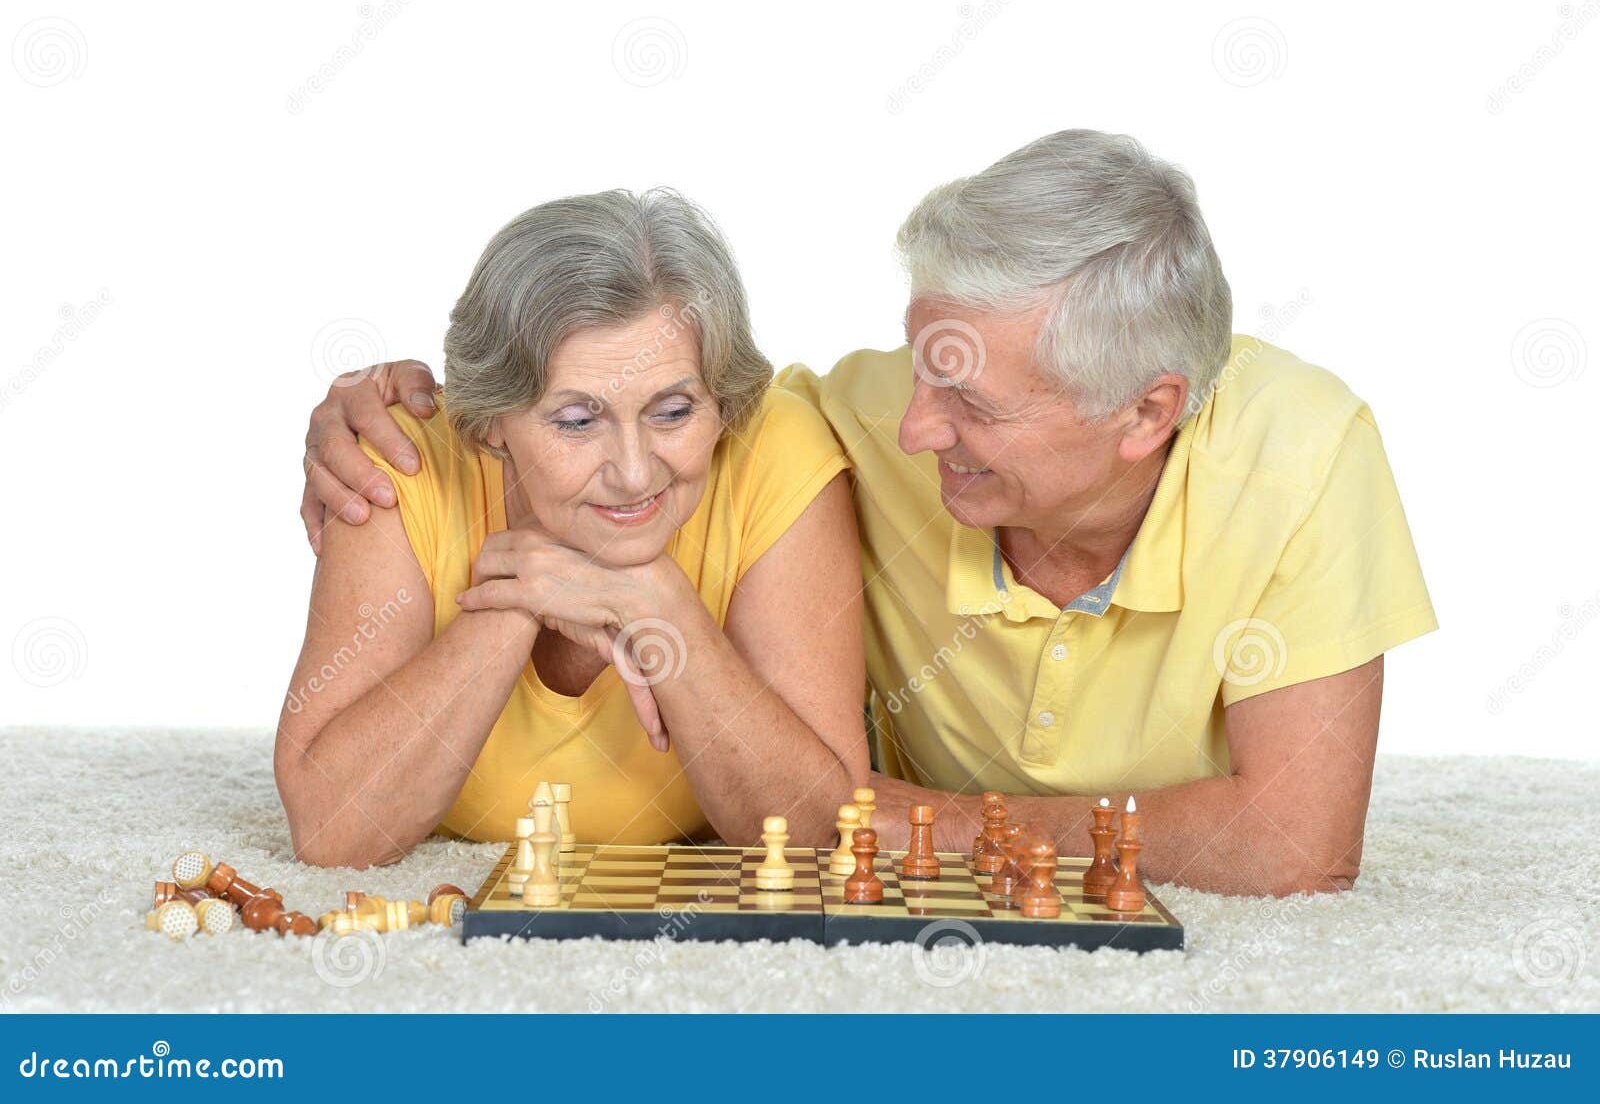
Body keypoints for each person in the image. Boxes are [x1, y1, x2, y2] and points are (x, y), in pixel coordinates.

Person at [298, 131, 1436, 895]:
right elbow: (333, 830)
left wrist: (919, 825)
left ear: (1146, 414)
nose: (911, 430)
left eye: (971, 403)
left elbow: (1298, 844)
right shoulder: (848, 420)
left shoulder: (1306, 457)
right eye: (921, 367)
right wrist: (501, 552)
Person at [277, 189, 867, 868]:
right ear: (491, 418)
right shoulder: (395, 464)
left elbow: (823, 832)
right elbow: (332, 831)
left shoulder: (778, 453)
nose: (635, 471)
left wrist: (656, 602)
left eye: (673, 411)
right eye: (578, 422)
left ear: (721, 397)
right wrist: (525, 595)